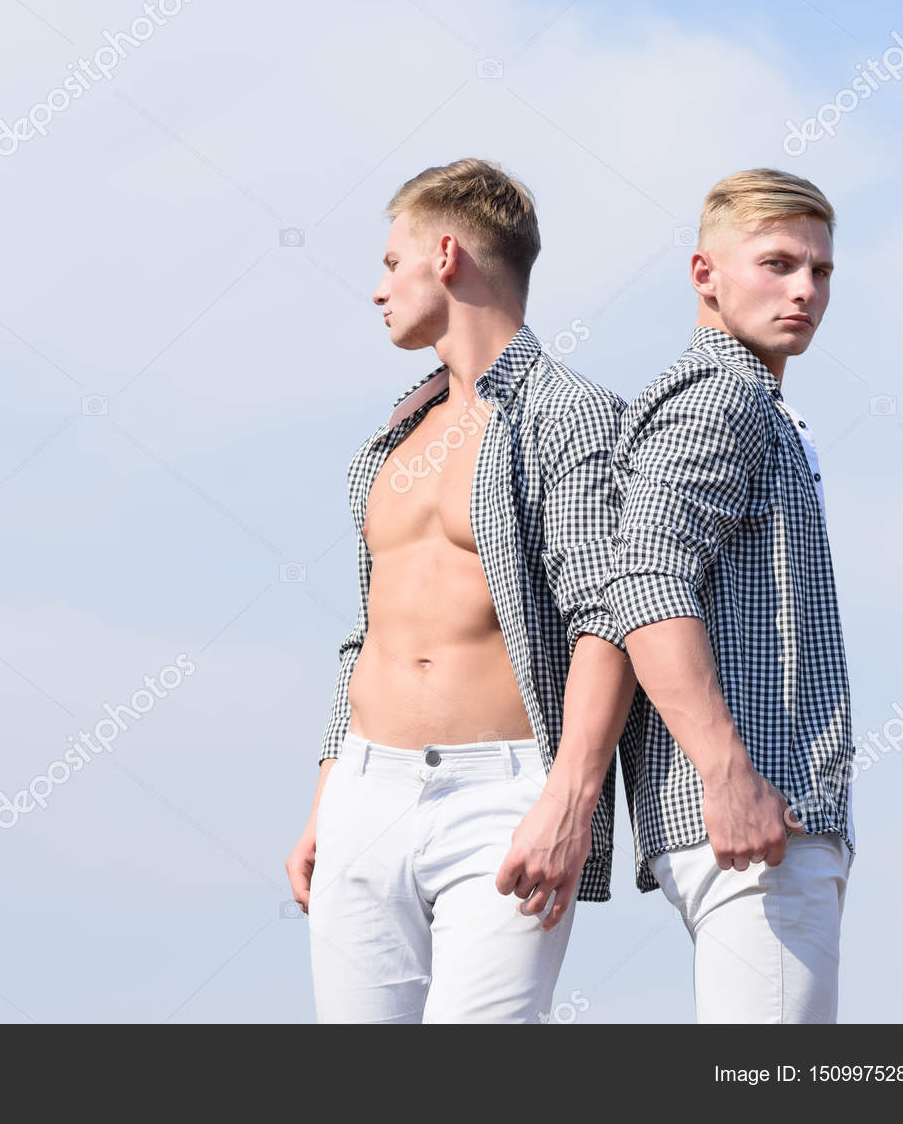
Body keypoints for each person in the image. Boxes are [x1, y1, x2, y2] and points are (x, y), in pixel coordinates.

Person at [283, 158, 637, 1023]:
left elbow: (610, 618)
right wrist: (331, 792)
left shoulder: (571, 414)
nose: (378, 289)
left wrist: (571, 802)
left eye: (391, 262)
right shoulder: (398, 435)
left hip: (503, 796)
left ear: (446, 255)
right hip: (367, 788)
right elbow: (367, 633)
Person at [603, 168, 856, 1023]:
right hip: (760, 815)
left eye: (820, 271)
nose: (805, 290)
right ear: (704, 273)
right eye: (778, 263)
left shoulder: (757, 403)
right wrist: (728, 772)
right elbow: (643, 575)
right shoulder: (722, 399)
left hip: (767, 814)